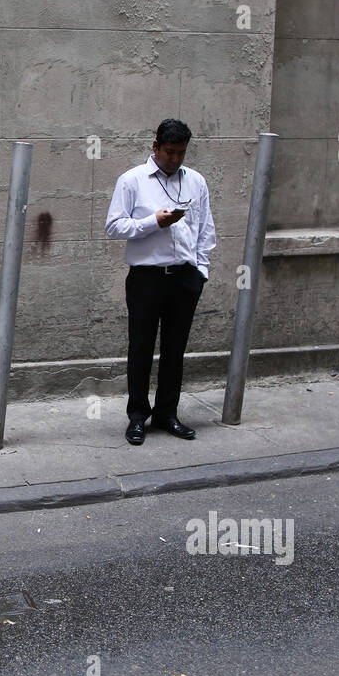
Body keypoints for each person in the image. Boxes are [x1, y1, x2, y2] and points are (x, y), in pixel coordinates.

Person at [104, 119, 215, 445]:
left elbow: (205, 230)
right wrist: (154, 222)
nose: (175, 159)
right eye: (169, 152)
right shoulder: (132, 181)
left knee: (174, 350)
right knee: (140, 348)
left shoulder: (196, 181)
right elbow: (114, 227)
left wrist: (200, 272)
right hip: (146, 279)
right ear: (155, 147)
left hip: (184, 278)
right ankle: (138, 416)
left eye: (181, 153)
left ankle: (168, 413)